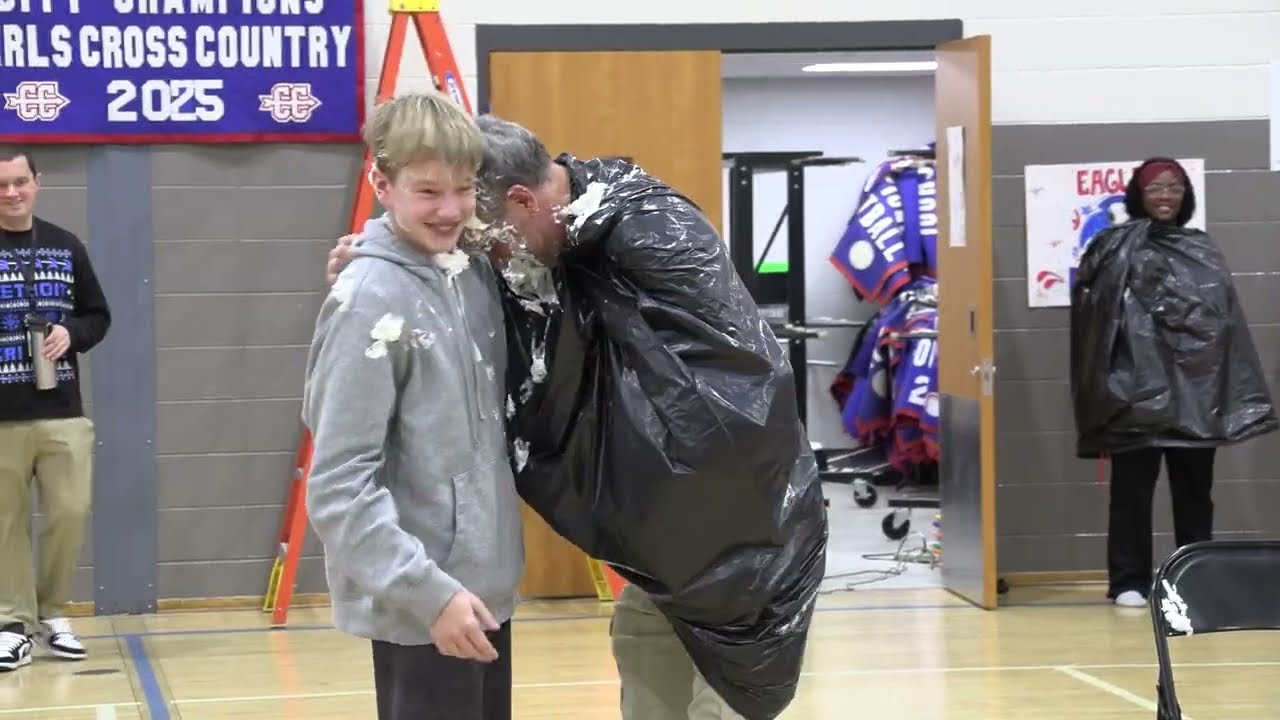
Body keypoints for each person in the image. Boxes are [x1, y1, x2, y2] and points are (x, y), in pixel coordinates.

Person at [328, 115, 828, 720]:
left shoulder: (650, 236)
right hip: (660, 549)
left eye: (486, 231)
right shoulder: (556, 250)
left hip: (748, 538)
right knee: (646, 667)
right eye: (433, 195)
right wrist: (380, 259)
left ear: (520, 200)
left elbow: (734, 403)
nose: (490, 255)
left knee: (721, 706)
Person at [302, 94, 524, 720]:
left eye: (463, 189)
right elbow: (340, 486)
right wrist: (429, 595)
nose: (451, 210)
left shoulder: (470, 270)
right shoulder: (367, 302)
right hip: (425, 607)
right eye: (428, 192)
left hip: (483, 592)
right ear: (381, 182)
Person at [1069, 157, 1277, 609]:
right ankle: (1128, 580)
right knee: (1130, 495)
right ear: (1138, 193)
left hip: (1196, 394)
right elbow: (1095, 322)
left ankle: (1193, 579)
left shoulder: (1201, 249)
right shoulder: (1109, 247)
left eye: (1175, 188)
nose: (1166, 196)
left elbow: (1222, 326)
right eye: (1156, 187)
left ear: (1186, 195)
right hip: (1132, 393)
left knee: (1195, 494)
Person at [0, 148, 111, 672]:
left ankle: (52, 612)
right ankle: (13, 624)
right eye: (2, 185)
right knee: (6, 523)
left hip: (62, 409)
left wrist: (72, 334)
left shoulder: (66, 246)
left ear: (37, 183)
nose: (12, 192)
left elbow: (98, 315)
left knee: (69, 512)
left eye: (20, 181)